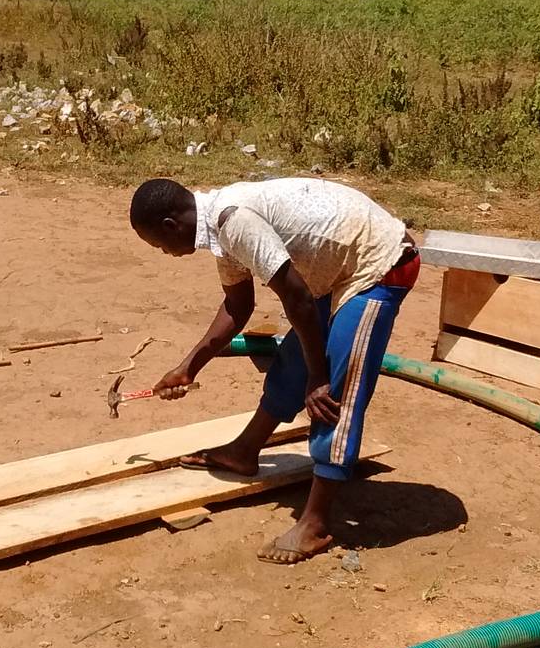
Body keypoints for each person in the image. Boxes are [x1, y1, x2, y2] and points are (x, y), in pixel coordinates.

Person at [128, 177, 420, 564]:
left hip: (379, 264)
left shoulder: (235, 222)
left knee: (336, 392)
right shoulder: (219, 229)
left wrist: (317, 377)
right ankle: (243, 452)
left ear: (170, 226)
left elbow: (296, 298)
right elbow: (238, 307)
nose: (165, 253)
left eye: (159, 245)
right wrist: (187, 368)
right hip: (336, 269)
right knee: (294, 360)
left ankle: (315, 523)